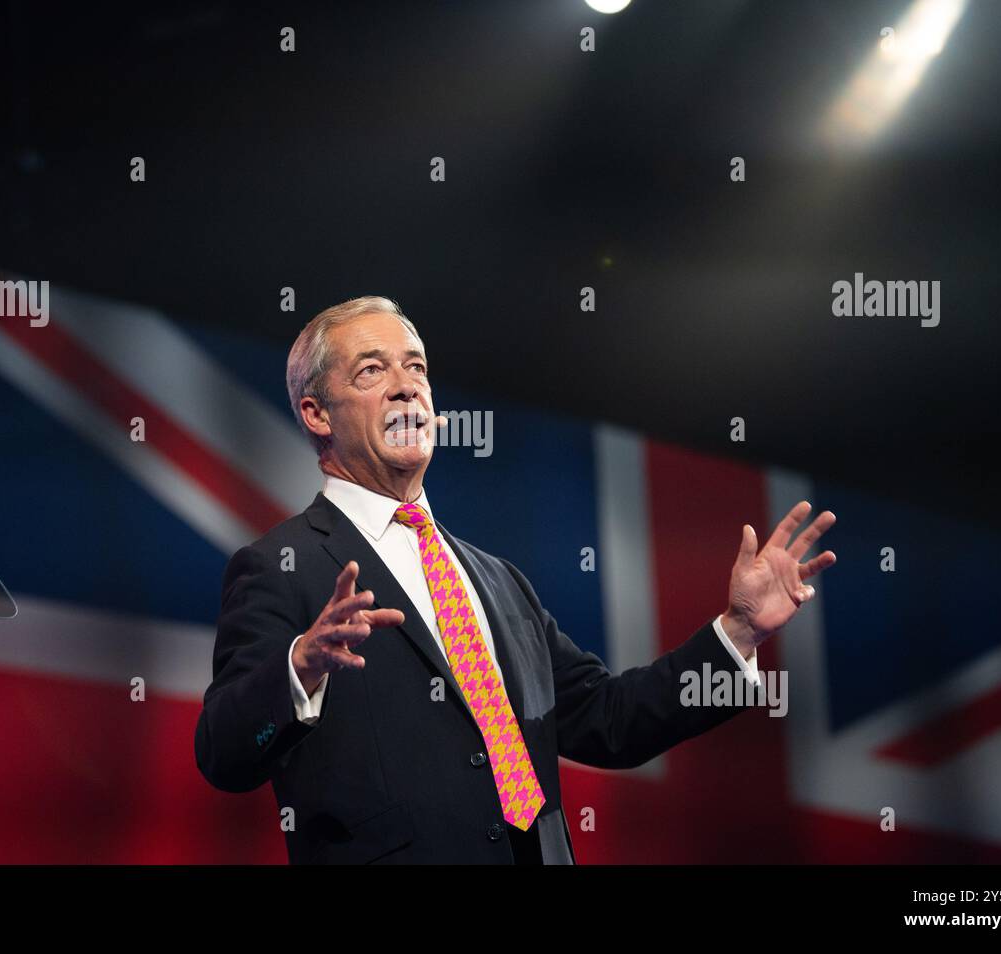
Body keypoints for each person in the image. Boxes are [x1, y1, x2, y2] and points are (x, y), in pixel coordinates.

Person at [193, 296, 836, 863]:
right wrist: (299, 667)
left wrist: (737, 631)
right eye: (372, 370)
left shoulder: (497, 582)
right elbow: (223, 752)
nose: (406, 387)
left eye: (416, 367)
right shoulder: (283, 566)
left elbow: (607, 719)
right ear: (316, 413)